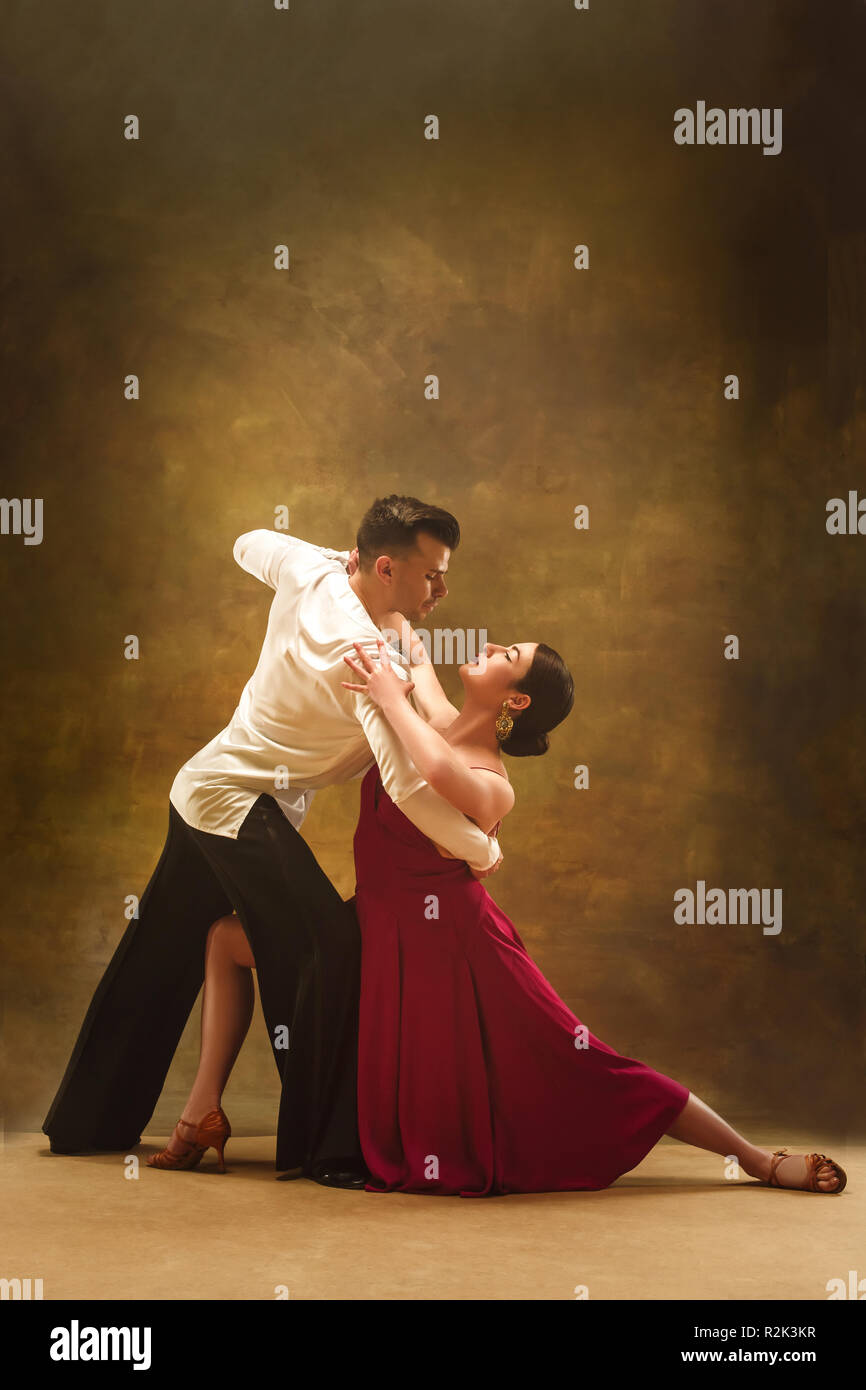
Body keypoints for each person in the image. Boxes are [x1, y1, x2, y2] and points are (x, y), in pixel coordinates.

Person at [165, 615, 847, 1196]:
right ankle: (203, 1114)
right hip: (377, 926)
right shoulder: (434, 714)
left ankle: (756, 1159)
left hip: (457, 947)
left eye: (506, 658)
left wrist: (385, 695)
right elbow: (416, 651)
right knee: (226, 941)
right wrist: (392, 594)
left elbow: (433, 770)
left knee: (588, 1066)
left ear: (515, 702)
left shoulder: (493, 780)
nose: (489, 649)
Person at [43, 496, 502, 1188]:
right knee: (327, 943)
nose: (444, 589)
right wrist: (481, 850)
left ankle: (91, 1124)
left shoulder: (315, 571)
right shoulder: (361, 655)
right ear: (384, 568)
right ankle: (332, 1151)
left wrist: (323, 559)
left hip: (207, 787)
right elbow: (406, 786)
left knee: (163, 948)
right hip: (231, 800)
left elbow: (246, 540)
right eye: (433, 575)